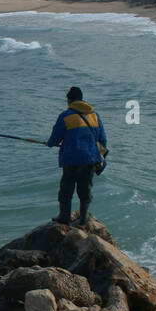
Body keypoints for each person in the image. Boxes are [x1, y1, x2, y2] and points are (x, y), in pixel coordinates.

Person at [46, 86, 107, 226]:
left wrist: (49, 143)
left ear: (69, 100)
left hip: (72, 159)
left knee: (66, 189)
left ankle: (64, 217)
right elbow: (103, 140)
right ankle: (83, 219)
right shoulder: (94, 115)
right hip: (91, 158)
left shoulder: (65, 116)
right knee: (85, 189)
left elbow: (55, 139)